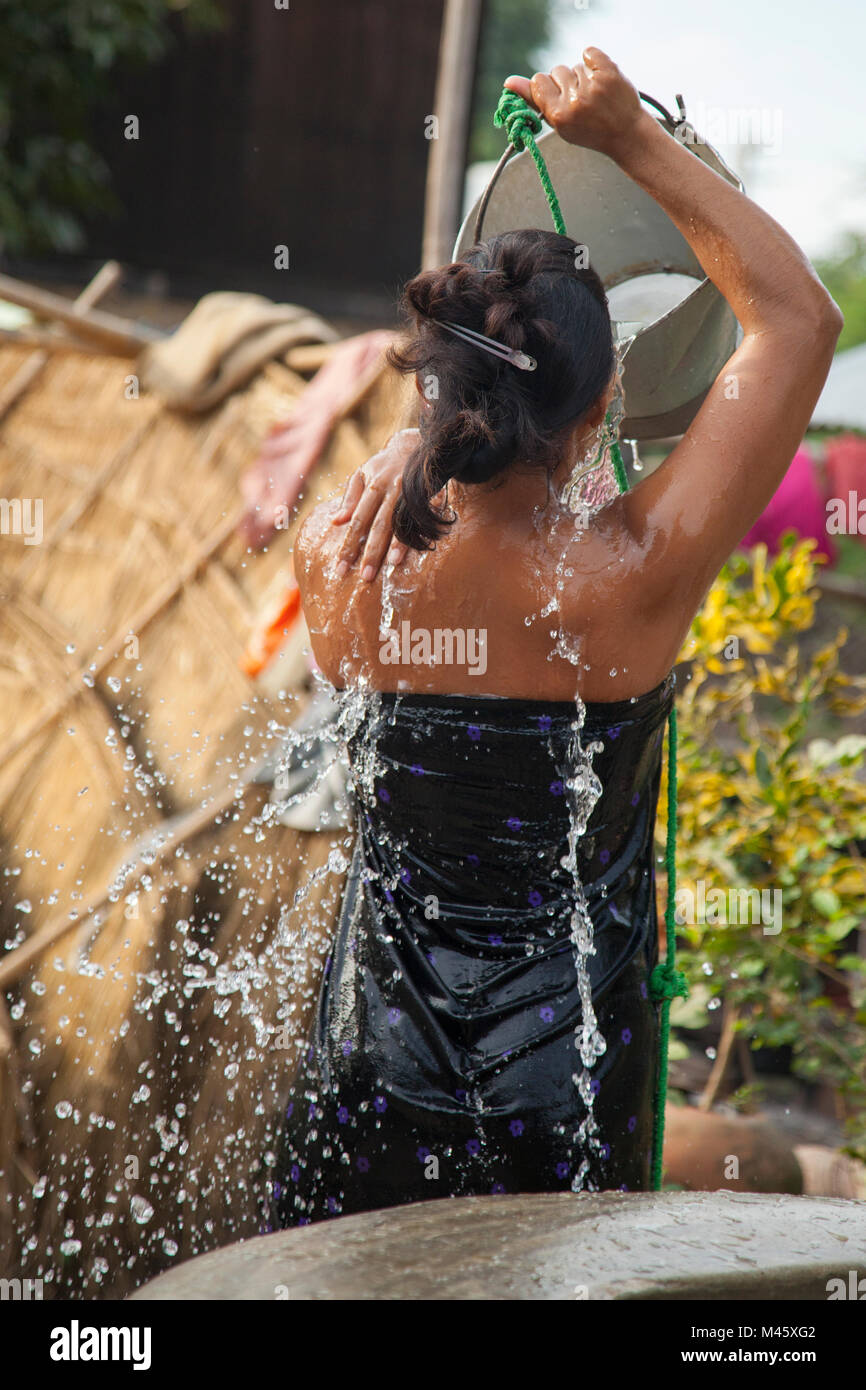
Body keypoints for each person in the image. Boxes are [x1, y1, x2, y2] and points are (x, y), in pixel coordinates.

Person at [268, 49, 841, 1227]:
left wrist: (399, 450)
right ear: (593, 421)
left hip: (361, 1070)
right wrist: (633, 138)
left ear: (431, 395)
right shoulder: (626, 580)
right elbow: (794, 318)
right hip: (559, 1082)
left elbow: (443, 459)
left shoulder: (337, 557)